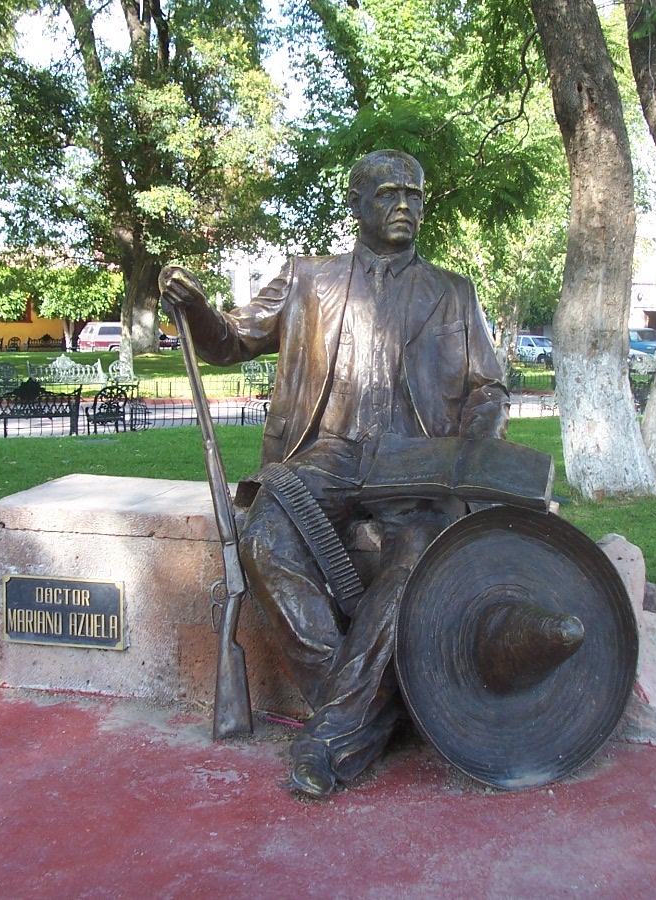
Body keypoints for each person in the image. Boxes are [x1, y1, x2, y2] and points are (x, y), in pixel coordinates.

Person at [160, 149, 508, 797]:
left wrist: (467, 464)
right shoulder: (305, 279)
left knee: (419, 570)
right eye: (388, 193)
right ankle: (371, 706)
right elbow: (229, 340)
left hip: (416, 465)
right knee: (264, 537)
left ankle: (329, 736)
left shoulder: (453, 294)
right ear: (356, 204)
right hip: (326, 457)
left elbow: (489, 390)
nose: (405, 204)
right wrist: (196, 307)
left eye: (415, 193)